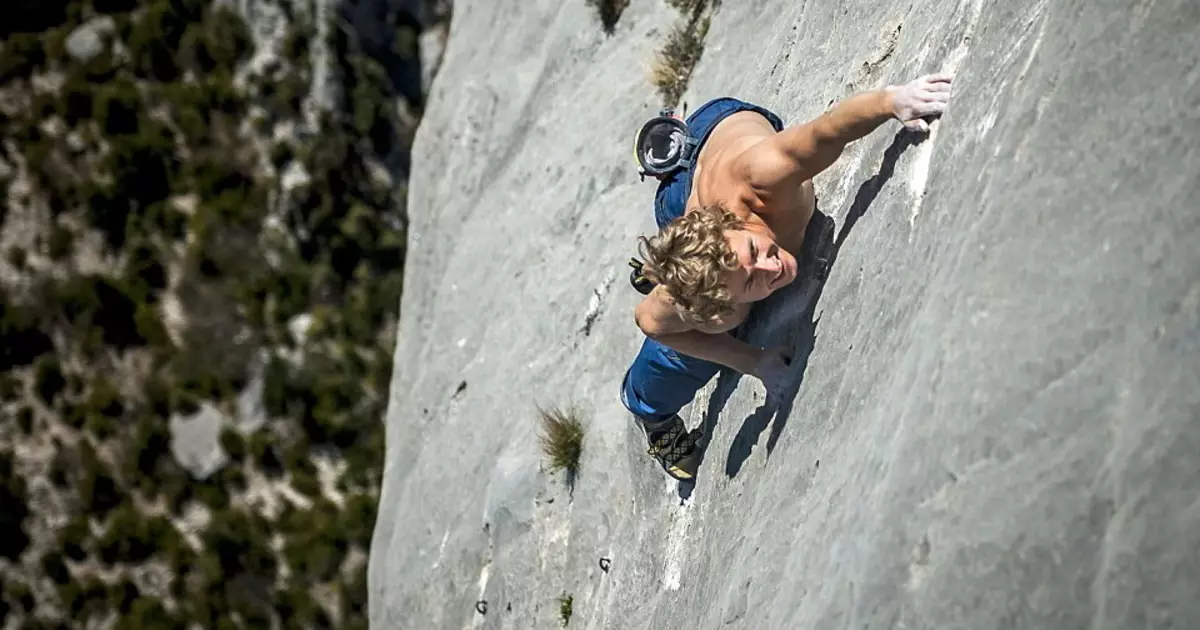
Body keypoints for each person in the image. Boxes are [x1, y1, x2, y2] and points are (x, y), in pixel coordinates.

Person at [622, 73, 954, 479]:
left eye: (755, 252)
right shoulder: (722, 288)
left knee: (733, 307)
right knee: (722, 324)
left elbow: (826, 132)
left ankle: (667, 259)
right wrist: (752, 361)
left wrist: (895, 101)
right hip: (690, 206)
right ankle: (648, 408)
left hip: (717, 129)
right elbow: (649, 321)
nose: (773, 266)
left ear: (731, 223)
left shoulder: (764, 177)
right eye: (750, 280)